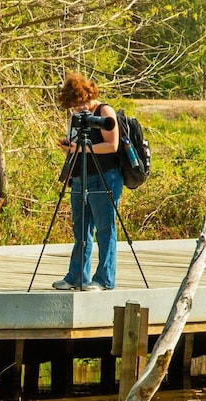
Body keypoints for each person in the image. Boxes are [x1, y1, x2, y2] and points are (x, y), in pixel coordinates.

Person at [53, 72, 124, 291]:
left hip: (106, 178)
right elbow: (78, 144)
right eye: (72, 107)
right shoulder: (78, 117)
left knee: (105, 229)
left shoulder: (104, 112)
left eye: (77, 104)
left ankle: (104, 279)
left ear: (86, 96)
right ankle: (77, 276)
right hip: (81, 177)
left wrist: (79, 148)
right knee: (81, 229)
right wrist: (70, 146)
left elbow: (112, 145)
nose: (76, 110)